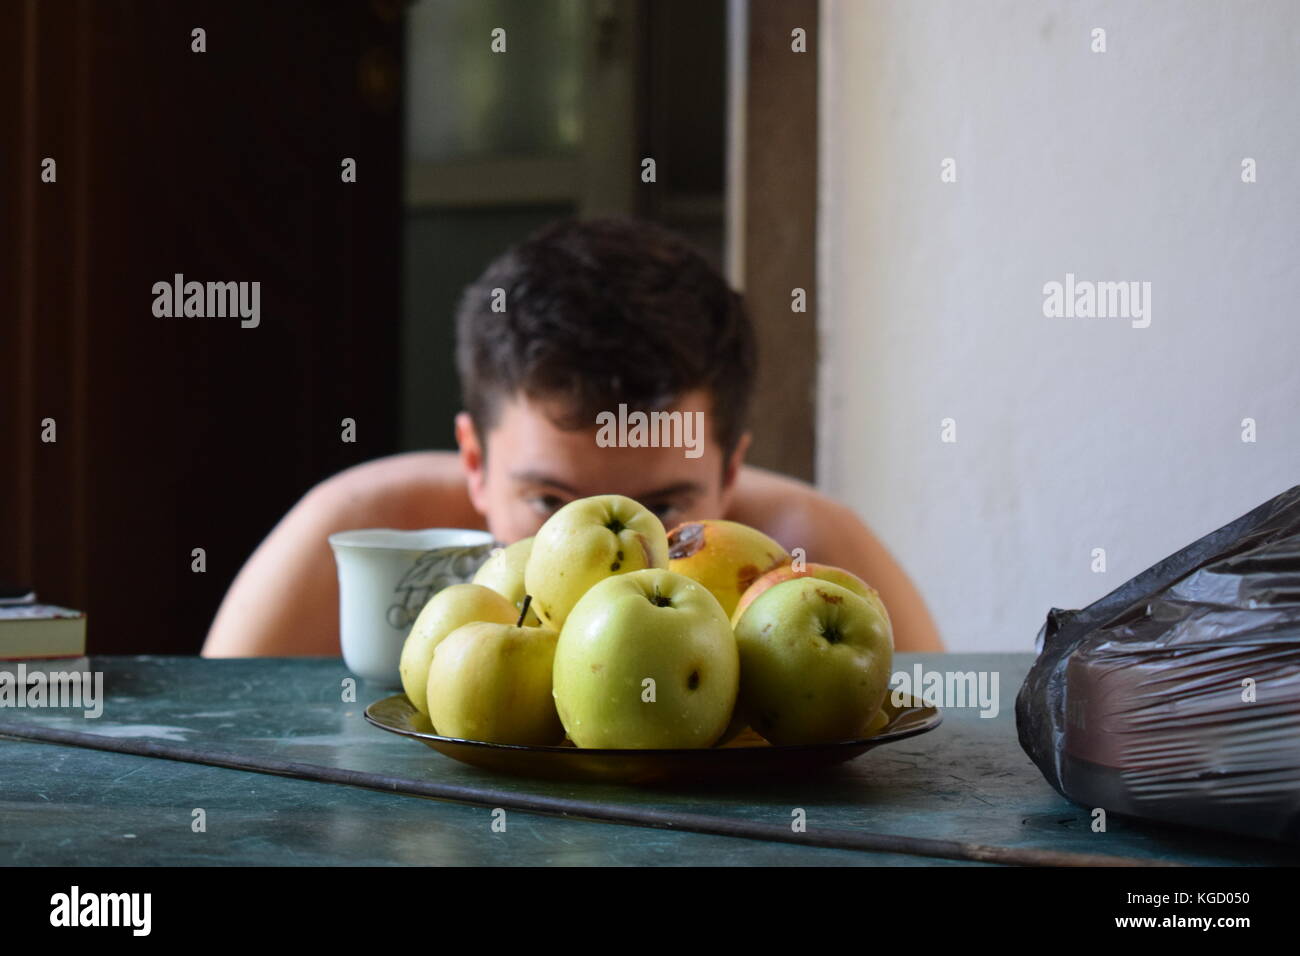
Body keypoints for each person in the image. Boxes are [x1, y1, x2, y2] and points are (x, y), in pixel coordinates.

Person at [202, 218, 942, 656]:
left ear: (732, 475)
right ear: (474, 463)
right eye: (551, 501)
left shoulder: (818, 567)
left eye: (667, 511)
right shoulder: (352, 541)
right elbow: (209, 774)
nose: (606, 574)